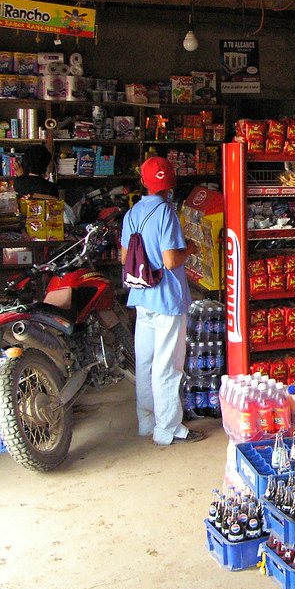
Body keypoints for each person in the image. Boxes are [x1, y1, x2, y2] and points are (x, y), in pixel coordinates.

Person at [120, 156, 202, 445]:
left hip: (141, 297)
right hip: (167, 299)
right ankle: (168, 428)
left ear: (143, 182)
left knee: (145, 362)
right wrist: (189, 249)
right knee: (168, 367)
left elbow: (123, 257)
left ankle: (146, 421)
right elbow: (170, 260)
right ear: (171, 185)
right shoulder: (166, 212)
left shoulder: (132, 214)